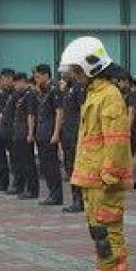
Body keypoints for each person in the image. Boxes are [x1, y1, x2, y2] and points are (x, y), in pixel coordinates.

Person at [59, 36, 135, 271]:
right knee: (99, 231)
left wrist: (110, 174)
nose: (75, 77)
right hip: (93, 180)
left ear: (90, 68)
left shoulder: (109, 97)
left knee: (109, 232)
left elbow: (116, 140)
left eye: (77, 71)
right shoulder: (95, 95)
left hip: (104, 180)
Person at [34, 65, 65, 206]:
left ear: (46, 75)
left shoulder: (54, 90)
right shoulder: (41, 91)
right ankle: (51, 193)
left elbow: (59, 112)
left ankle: (57, 195)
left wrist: (56, 133)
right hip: (41, 132)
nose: (36, 79)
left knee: (52, 166)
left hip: (50, 133)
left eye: (38, 76)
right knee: (45, 165)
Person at [11, 72, 39, 200]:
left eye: (17, 83)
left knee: (28, 163)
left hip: (25, 133)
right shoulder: (19, 95)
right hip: (18, 132)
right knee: (20, 162)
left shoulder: (30, 95)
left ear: (23, 81)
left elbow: (31, 115)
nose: (15, 86)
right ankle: (22, 187)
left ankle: (32, 190)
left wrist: (30, 133)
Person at [61, 73, 86, 212]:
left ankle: (80, 200)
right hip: (67, 133)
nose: (63, 74)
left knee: (77, 167)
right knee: (69, 166)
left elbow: (82, 110)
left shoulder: (78, 88)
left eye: (66, 71)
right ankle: (75, 198)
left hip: (76, 133)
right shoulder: (66, 89)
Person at [0, 69, 16, 193]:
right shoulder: (1, 94)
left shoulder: (16, 94)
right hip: (0, 130)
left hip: (12, 130)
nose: (2, 82)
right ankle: (2, 182)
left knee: (15, 158)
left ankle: (17, 184)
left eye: (4, 79)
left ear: (10, 79)